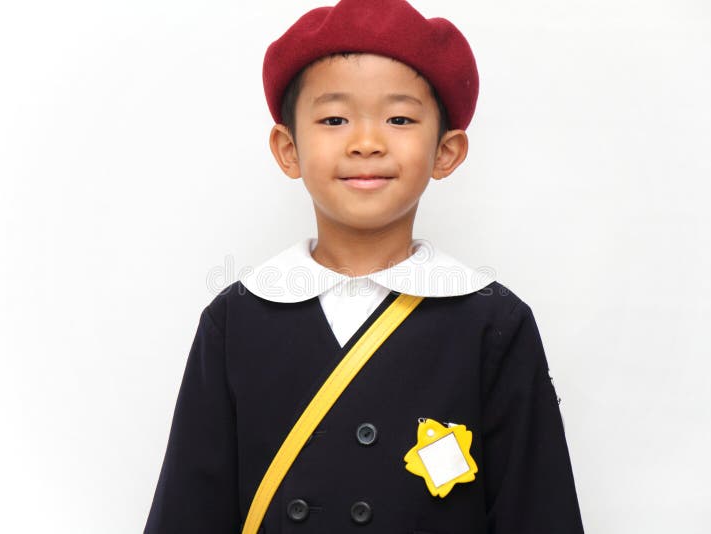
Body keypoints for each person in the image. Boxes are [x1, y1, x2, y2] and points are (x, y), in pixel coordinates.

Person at [144, 0, 585, 532]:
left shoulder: (493, 325)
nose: (367, 143)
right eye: (334, 119)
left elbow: (538, 513)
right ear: (288, 148)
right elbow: (188, 513)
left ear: (446, 152)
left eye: (400, 119)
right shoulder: (235, 321)